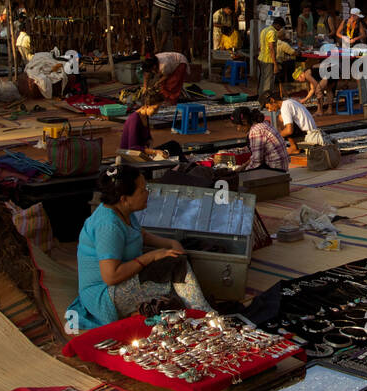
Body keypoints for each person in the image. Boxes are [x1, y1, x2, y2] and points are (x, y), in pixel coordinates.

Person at [67, 161, 212, 331]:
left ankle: (198, 315)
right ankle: (206, 317)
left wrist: (169, 243)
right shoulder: (108, 225)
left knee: (176, 281)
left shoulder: (123, 211)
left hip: (122, 283)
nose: (147, 193)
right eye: (142, 190)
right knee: (176, 269)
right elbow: (111, 276)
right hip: (105, 295)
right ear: (124, 199)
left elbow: (139, 235)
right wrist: (151, 256)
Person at [231, 107, 289, 172]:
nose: (238, 129)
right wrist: (243, 167)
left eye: (237, 126)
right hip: (282, 166)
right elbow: (255, 156)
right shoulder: (262, 124)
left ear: (244, 121)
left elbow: (256, 162)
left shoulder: (255, 131)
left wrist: (243, 173)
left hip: (276, 170)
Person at [257, 17, 282, 101]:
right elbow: (271, 48)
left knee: (263, 80)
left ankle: (261, 98)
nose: (280, 30)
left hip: (261, 58)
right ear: (277, 25)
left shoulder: (265, 30)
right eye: (280, 27)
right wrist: (275, 64)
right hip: (268, 59)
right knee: (268, 82)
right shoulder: (272, 32)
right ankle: (265, 100)